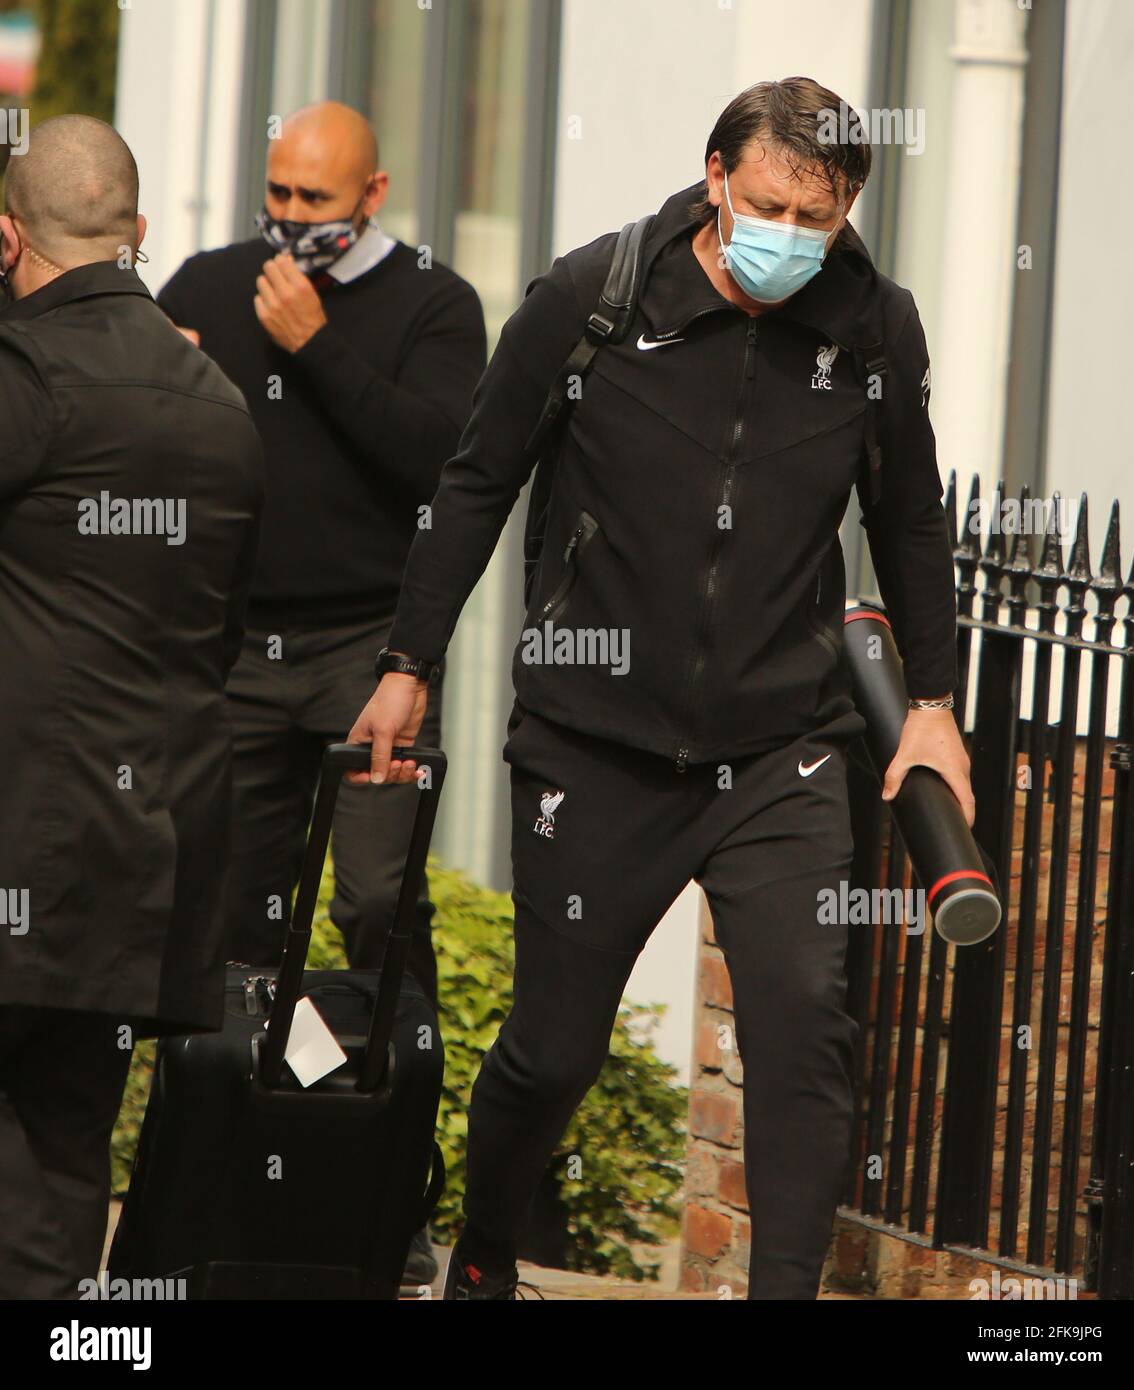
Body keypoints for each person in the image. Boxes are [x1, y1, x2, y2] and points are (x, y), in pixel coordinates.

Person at [348, 78, 975, 1301]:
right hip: (595, 746)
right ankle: (483, 1253)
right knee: (552, 1052)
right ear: (716, 175)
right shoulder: (593, 298)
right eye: (777, 204)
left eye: (825, 216)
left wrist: (936, 706)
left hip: (784, 747)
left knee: (806, 1030)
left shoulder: (873, 329)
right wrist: (407, 663)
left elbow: (909, 520)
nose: (795, 236)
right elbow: (476, 482)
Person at [157, 100, 485, 1289]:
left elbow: (442, 464)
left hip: (368, 652)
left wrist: (316, 348)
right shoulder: (203, 281)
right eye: (280, 196)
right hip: (238, 650)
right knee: (234, 923)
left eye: (318, 201)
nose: (291, 222)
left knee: (378, 908)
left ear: (374, 193)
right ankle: (246, 1181)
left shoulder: (436, 307)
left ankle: (392, 1186)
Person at [0, 115, 264, 1299]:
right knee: (59, 1167)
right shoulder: (219, 401)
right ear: (139, 234)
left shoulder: (28, 376)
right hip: (142, 859)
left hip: (21, 827)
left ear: (7, 238)